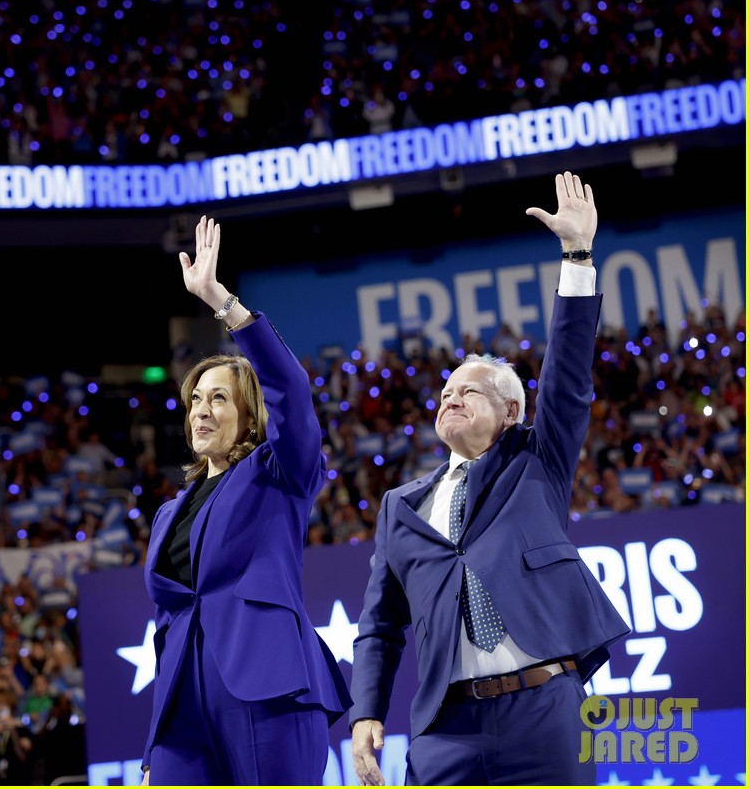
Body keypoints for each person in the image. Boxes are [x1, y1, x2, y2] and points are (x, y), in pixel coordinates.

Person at [349, 172, 632, 785]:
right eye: (445, 392)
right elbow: (378, 624)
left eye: (469, 390)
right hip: (446, 729)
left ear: (511, 413)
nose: (450, 398)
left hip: (545, 713)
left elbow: (567, 374)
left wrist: (577, 258)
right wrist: (366, 711)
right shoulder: (401, 507)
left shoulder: (538, 461)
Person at [141, 216, 352, 785]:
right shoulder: (169, 510)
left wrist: (221, 302)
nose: (201, 411)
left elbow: (291, 389)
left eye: (218, 399)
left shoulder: (278, 473)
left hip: (266, 686)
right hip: (182, 702)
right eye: (195, 401)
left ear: (249, 417)